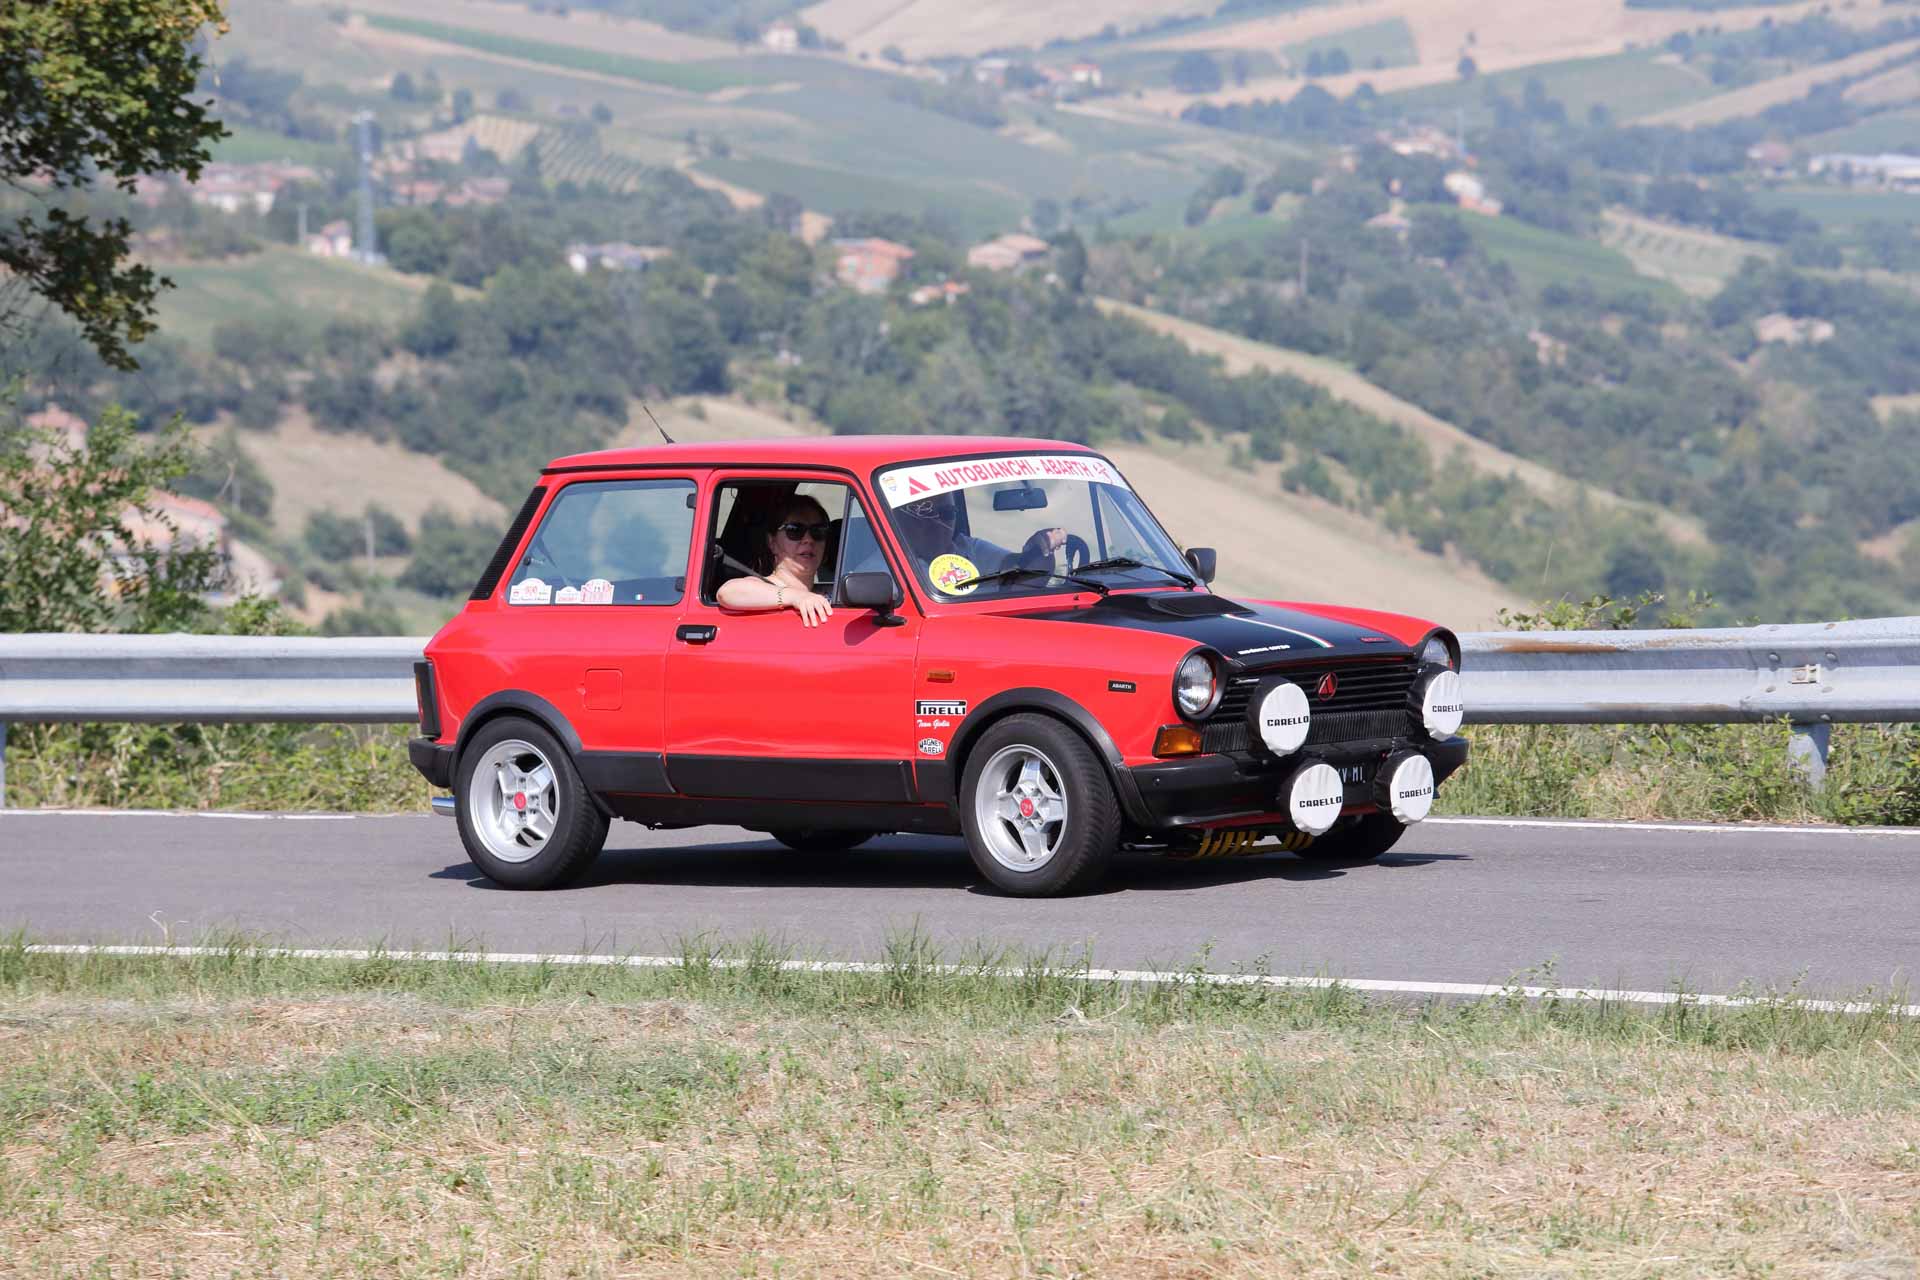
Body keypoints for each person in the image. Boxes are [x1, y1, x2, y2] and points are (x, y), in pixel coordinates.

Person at [716, 495, 836, 626]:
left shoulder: (836, 592)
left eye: (818, 531)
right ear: (772, 542)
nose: (809, 539)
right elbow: (727, 593)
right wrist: (796, 597)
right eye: (794, 530)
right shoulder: (761, 587)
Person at [895, 492, 1067, 580]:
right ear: (902, 518)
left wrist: (1041, 547)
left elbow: (1019, 569)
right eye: (924, 512)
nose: (937, 523)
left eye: (947, 512)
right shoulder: (886, 565)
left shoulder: (967, 548)